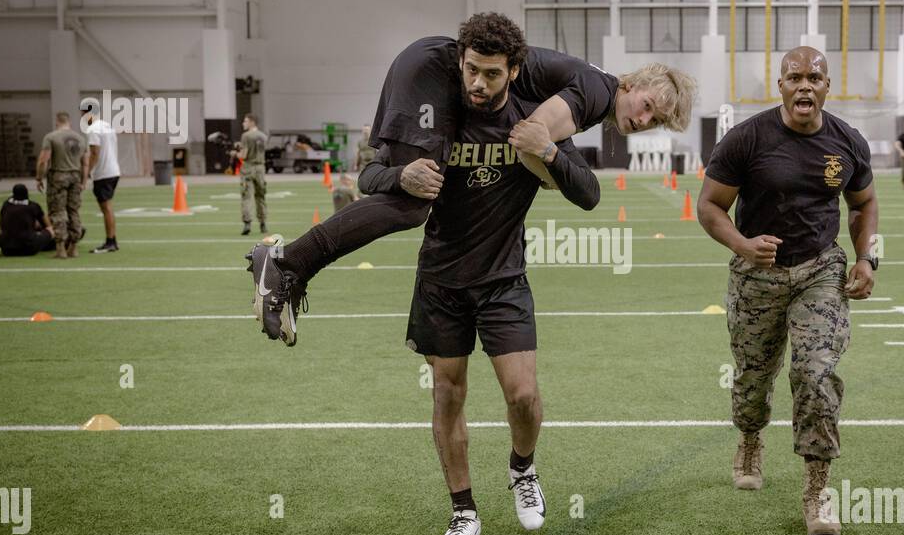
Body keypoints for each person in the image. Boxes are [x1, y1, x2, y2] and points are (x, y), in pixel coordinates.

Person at [245, 20, 696, 346]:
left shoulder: (595, 92)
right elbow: (529, 137)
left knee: (412, 192)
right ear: (633, 82)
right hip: (435, 71)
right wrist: (555, 173)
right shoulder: (598, 92)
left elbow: (539, 138)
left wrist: (557, 163)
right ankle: (288, 262)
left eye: (653, 120)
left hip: (438, 73)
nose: (641, 119)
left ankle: (292, 265)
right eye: (646, 104)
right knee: (417, 199)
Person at [375, 13, 602, 535]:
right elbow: (369, 174)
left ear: (515, 71)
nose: (478, 83)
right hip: (440, 281)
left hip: (504, 279)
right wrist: (397, 177)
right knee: (448, 394)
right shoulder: (439, 116)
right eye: (471, 70)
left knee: (522, 394)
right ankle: (463, 511)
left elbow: (589, 193)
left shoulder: (531, 119)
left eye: (492, 74)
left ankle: (522, 470)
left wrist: (545, 149)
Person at [698, 46, 879, 535]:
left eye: (814, 78)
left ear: (827, 86)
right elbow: (709, 206)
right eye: (794, 77)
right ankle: (751, 439)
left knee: (815, 372)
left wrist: (867, 259)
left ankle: (817, 489)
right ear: (779, 85)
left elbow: (863, 205)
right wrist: (742, 244)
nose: (804, 86)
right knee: (754, 376)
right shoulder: (746, 139)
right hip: (756, 276)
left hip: (820, 269)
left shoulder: (847, 141)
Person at [35, 112, 89, 259]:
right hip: (75, 176)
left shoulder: (51, 137)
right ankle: (73, 247)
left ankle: (60, 248)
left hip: (58, 176)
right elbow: (85, 164)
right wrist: (84, 182)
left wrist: (39, 178)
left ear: (57, 122)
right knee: (73, 211)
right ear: (69, 122)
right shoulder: (80, 138)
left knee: (57, 211)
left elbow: (43, 161)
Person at [84, 108, 122, 253]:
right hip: (113, 170)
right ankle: (112, 240)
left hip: (103, 173)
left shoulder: (93, 129)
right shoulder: (108, 126)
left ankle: (111, 241)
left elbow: (94, 153)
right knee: (107, 207)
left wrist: (87, 172)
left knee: (106, 208)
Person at [0, 183, 55, 256]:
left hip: (6, 250)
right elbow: (48, 225)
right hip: (27, 249)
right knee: (51, 231)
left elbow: (1, 228)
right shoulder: (33, 206)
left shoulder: (6, 205)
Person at [237, 113, 268, 236]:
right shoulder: (263, 136)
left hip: (248, 168)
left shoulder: (246, 136)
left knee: (246, 197)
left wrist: (235, 154)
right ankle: (263, 223)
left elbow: (243, 155)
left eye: (245, 121)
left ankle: (247, 223)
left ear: (252, 122)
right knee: (261, 196)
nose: (243, 123)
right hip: (260, 168)